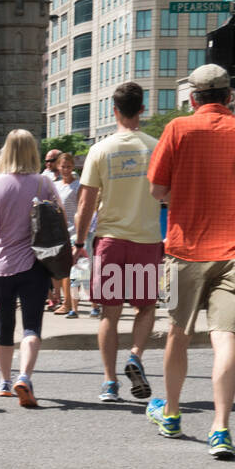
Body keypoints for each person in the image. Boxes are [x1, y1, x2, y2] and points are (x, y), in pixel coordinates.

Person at [146, 63, 235, 459]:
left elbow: (157, 189)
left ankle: (171, 415)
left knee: (177, 331)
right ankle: (221, 429)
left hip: (183, 251)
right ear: (228, 97)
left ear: (192, 98)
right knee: (225, 337)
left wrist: (184, 196)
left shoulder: (177, 129)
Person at [73, 81, 161, 403]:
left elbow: (85, 204)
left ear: (114, 111)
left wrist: (79, 242)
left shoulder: (100, 150)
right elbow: (169, 195)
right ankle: (135, 354)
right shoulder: (156, 147)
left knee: (109, 314)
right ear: (142, 109)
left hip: (110, 241)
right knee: (147, 306)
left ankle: (110, 383)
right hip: (147, 240)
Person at [0, 130, 63, 407]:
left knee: (4, 324)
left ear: (6, 150)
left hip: (1, 265)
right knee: (32, 327)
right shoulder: (43, 183)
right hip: (35, 265)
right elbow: (59, 218)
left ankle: (3, 381)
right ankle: (24, 376)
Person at [52, 152, 82, 316]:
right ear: (58, 167)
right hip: (59, 231)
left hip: (74, 231)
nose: (65, 170)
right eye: (63, 166)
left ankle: (68, 303)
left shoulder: (78, 186)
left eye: (68, 167)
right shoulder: (55, 186)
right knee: (63, 270)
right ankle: (65, 301)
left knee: (70, 270)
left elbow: (82, 208)